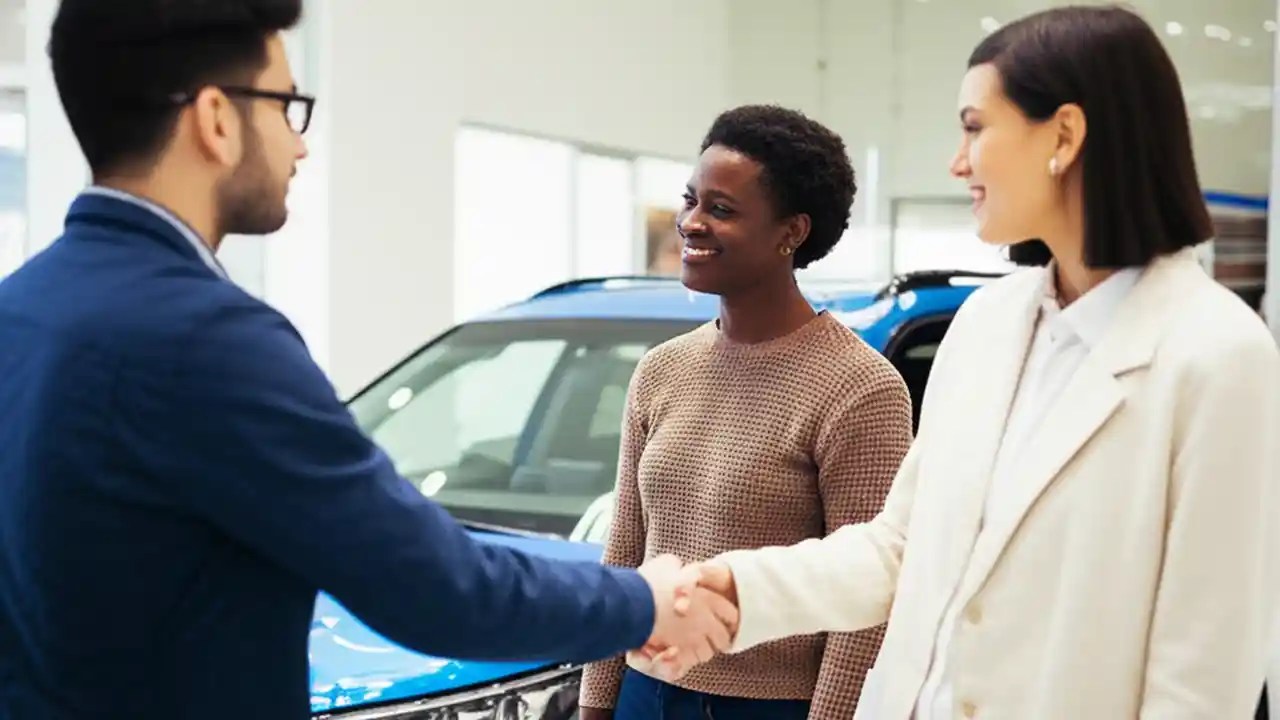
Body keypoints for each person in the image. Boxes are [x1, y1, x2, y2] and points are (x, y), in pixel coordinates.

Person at [0, 2, 735, 718]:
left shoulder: (19, 310)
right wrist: (643, 601)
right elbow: (437, 586)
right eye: (287, 107)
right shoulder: (208, 337)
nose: (300, 144)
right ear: (216, 120)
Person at [647, 7, 1280, 719]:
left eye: (974, 127)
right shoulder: (987, 325)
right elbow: (900, 549)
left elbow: (1199, 681)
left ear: (1064, 135)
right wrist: (731, 591)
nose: (957, 161)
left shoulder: (1217, 356)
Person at [578, 105, 914, 720]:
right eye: (691, 200)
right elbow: (625, 548)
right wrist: (598, 700)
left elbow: (869, 606)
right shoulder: (662, 369)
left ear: (792, 232)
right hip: (642, 691)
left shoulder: (861, 388)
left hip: (768, 706)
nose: (691, 223)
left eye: (722, 209)